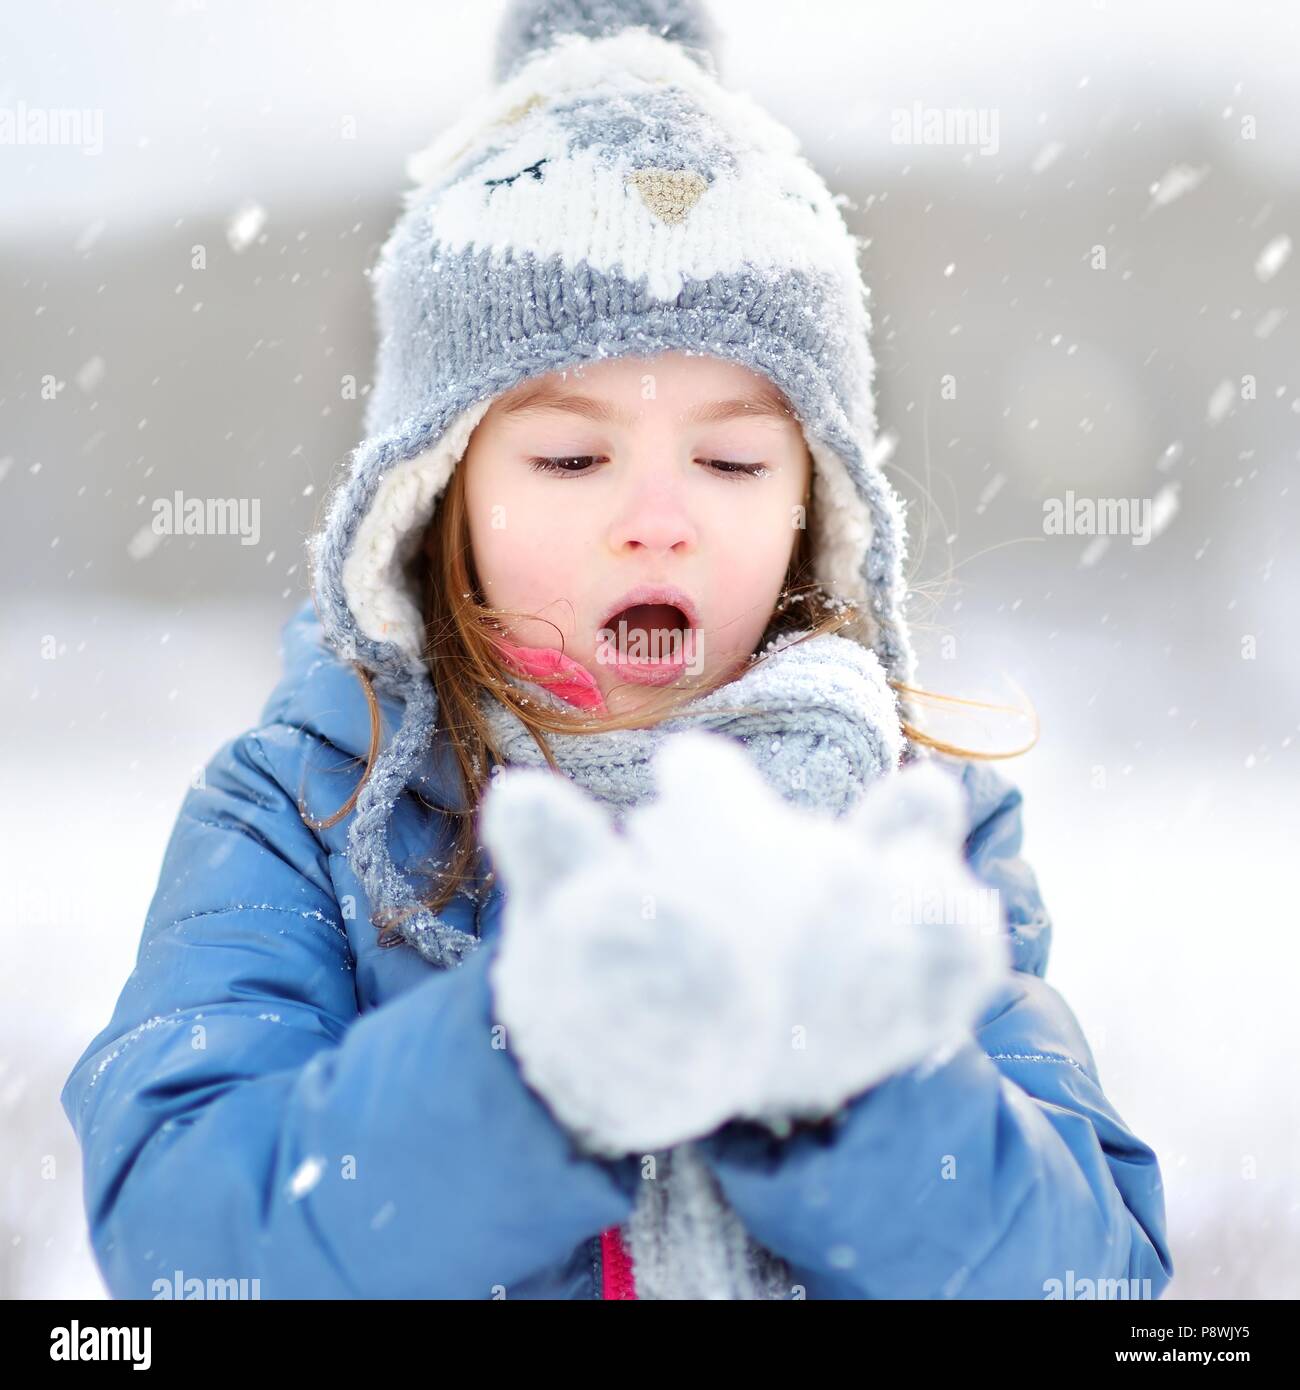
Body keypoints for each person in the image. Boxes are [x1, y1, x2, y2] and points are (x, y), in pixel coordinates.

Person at [60, 0, 1174, 1300]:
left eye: (732, 458)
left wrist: (862, 1095)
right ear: (438, 499)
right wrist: (531, 1071)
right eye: (573, 456)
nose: (659, 523)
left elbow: (1095, 1282)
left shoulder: (912, 825)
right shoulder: (309, 809)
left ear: (816, 508)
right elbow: (183, 1238)